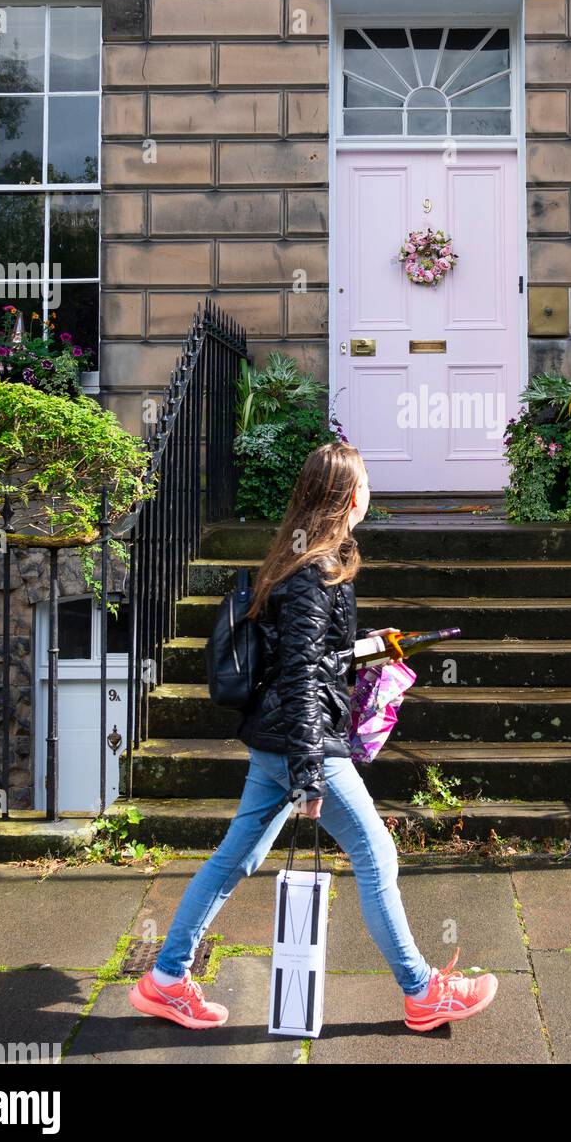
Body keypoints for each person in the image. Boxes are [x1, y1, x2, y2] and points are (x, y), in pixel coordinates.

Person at [128, 440, 498, 1033]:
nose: (371, 491)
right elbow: (299, 676)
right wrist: (308, 774)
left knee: (237, 858)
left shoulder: (301, 559)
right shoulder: (315, 571)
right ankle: (423, 991)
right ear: (352, 497)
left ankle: (166, 978)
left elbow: (307, 655)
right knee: (376, 855)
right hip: (301, 741)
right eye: (368, 483)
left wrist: (366, 647)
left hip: (276, 738)